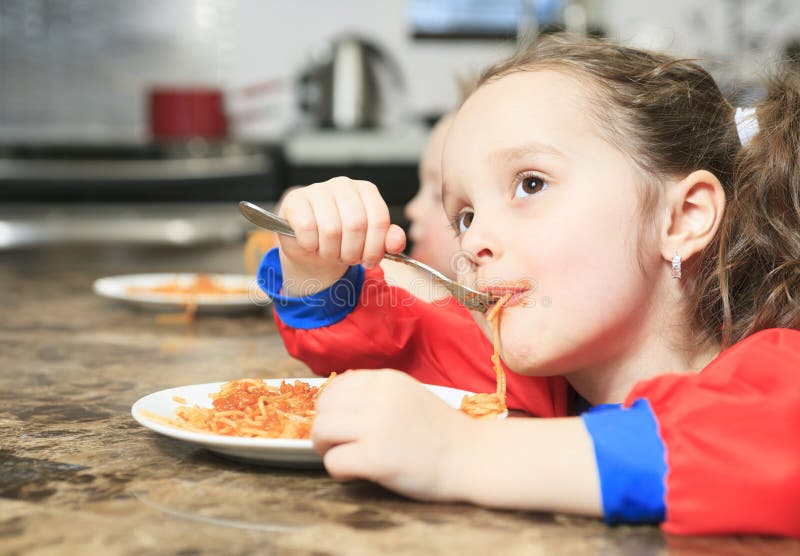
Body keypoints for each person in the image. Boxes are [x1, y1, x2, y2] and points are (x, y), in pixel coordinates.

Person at [257, 34, 800, 537]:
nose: (472, 243)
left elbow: (756, 447)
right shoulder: (529, 379)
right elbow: (385, 338)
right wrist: (315, 261)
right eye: (465, 215)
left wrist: (462, 454)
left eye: (530, 183)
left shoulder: (778, 370)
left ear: (683, 217)